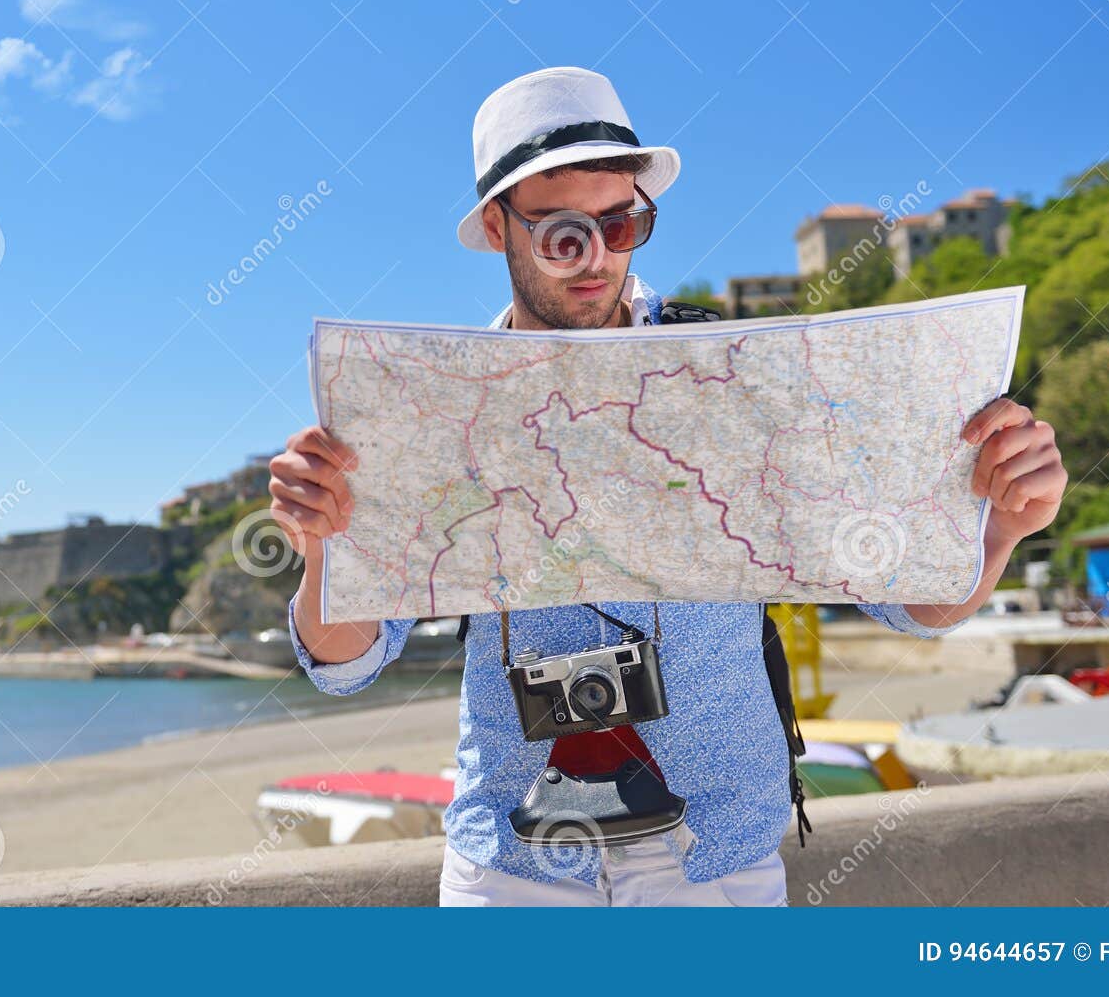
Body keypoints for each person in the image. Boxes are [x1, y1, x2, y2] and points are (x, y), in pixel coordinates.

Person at [267, 66, 1067, 906]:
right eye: (561, 231)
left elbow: (916, 606)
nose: (598, 255)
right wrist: (325, 554)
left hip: (715, 856)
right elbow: (347, 667)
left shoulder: (741, 378)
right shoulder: (425, 404)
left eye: (622, 223)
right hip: (511, 862)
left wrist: (1004, 527)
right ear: (498, 225)